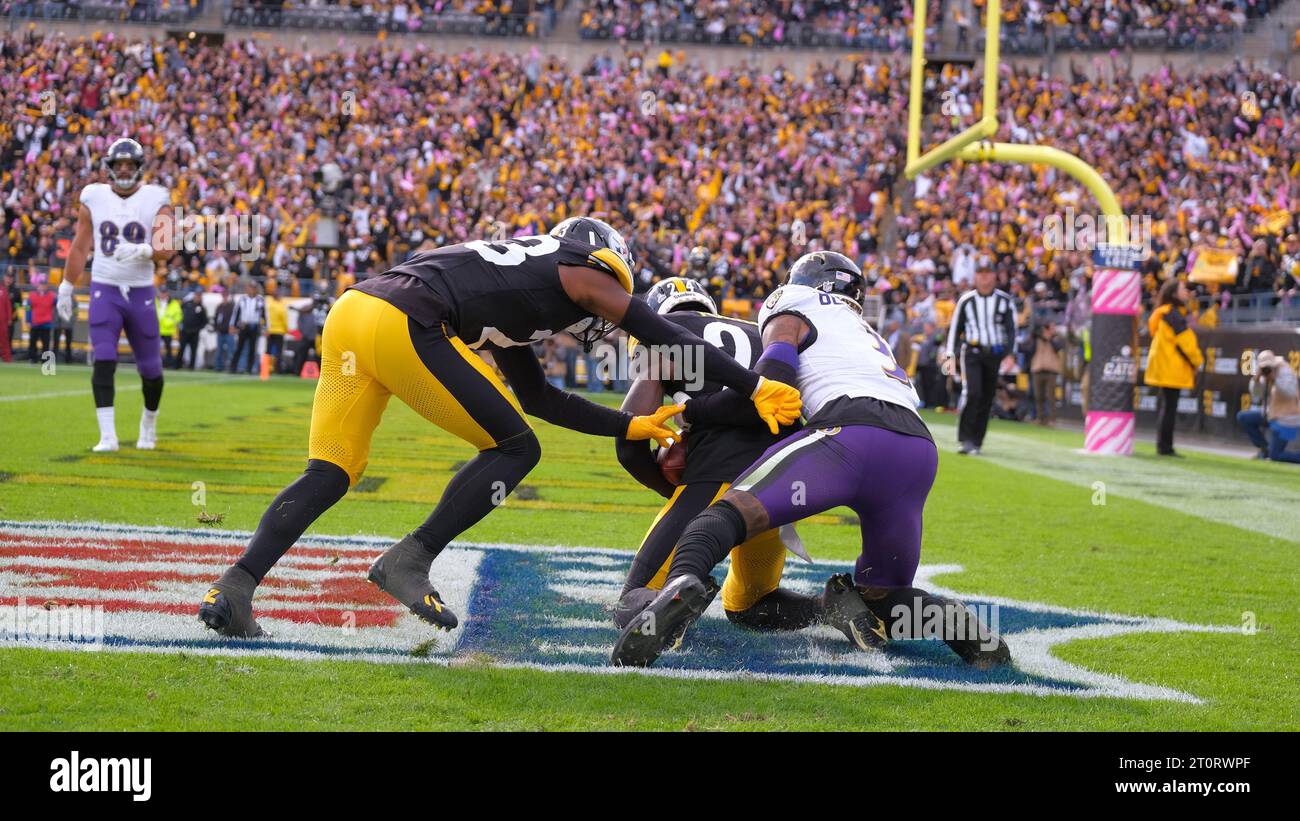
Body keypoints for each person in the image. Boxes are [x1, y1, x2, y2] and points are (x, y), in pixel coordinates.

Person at [197, 218, 800, 638]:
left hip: (354, 313)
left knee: (330, 470)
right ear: (602, 262)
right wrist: (753, 385)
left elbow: (539, 396)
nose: (609, 303)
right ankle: (411, 556)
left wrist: (632, 422)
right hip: (408, 318)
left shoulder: (525, 293)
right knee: (515, 450)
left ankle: (237, 584)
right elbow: (659, 331)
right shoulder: (580, 271)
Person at [612, 252, 1009, 669]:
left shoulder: (786, 305)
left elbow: (768, 388)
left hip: (841, 437)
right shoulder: (862, 331)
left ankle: (682, 584)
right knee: (879, 597)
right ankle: (949, 625)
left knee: (711, 525)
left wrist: (690, 420)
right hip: (916, 448)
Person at [613, 277, 880, 649]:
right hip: (782, 476)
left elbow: (628, 443)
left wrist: (673, 490)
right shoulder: (765, 330)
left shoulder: (660, 333)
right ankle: (828, 609)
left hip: (716, 472)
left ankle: (678, 598)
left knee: (632, 600)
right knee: (749, 605)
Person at [57, 137, 175, 452]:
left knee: (150, 368)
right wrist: (67, 285)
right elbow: (81, 245)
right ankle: (107, 435)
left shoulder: (156, 197)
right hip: (104, 286)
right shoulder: (93, 197)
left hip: (140, 291)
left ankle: (148, 423)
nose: (124, 170)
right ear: (110, 167)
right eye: (119, 164)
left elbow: (167, 248)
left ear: (139, 167)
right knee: (104, 357)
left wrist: (144, 249)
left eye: (130, 165)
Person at [942, 261, 1018, 454]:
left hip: (994, 354)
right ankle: (965, 438)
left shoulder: (1004, 300)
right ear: (975, 276)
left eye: (988, 273)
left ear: (995, 276)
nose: (984, 277)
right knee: (972, 392)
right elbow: (954, 330)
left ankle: (977, 441)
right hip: (972, 352)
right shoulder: (966, 300)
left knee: (987, 396)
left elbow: (1012, 330)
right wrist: (949, 356)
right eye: (981, 273)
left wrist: (1010, 354)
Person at [1144, 277, 1203, 457]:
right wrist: (1198, 361)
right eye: (1183, 289)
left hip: (1164, 365)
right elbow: (1186, 343)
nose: (1187, 293)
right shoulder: (1172, 314)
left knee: (1167, 407)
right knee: (1169, 408)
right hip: (1171, 366)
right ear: (1173, 293)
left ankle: (1164, 445)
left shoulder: (1164, 313)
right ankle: (1165, 447)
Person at [1236, 350, 1300, 464]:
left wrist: (1275, 379)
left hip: (1287, 418)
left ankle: (1272, 453)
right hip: (1271, 413)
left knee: (1276, 456)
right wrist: (1256, 379)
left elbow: (1289, 392)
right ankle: (1265, 449)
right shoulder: (1263, 373)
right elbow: (1256, 395)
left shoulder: (1285, 371)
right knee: (1244, 417)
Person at [1029, 320, 1064, 425]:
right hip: (1038, 368)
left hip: (1051, 370)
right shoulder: (1037, 338)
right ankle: (1040, 418)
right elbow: (1029, 347)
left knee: (1051, 396)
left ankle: (1052, 419)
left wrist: (1050, 337)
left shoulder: (1057, 338)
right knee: (1038, 395)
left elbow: (1058, 347)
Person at [228, 281, 264, 375]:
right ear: (247, 289)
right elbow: (236, 313)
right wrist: (232, 325)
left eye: (254, 288)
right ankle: (233, 367)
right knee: (239, 347)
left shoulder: (260, 299)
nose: (252, 289)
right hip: (244, 325)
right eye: (250, 287)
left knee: (252, 349)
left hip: (254, 326)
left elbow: (265, 315)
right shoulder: (242, 299)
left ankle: (249, 368)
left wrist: (265, 328)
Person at [26, 278, 55, 364]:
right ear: (38, 286)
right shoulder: (32, 295)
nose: (42, 287)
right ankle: (32, 358)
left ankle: (45, 359)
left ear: (47, 286)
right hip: (35, 323)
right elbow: (28, 308)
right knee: (32, 341)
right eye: (41, 285)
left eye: (44, 285)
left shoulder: (52, 296)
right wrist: (28, 320)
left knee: (45, 343)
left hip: (46, 323)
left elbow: (57, 306)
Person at [177, 291, 207, 370]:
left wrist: (197, 329)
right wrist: (181, 325)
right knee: (181, 348)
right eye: (197, 296)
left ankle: (191, 366)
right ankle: (177, 365)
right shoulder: (187, 304)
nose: (198, 298)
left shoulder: (201, 308)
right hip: (185, 331)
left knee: (193, 350)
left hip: (194, 332)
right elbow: (179, 312)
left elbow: (204, 321)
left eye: (199, 296)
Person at [156, 289, 181, 368]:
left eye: (164, 293)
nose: (163, 294)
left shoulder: (174, 303)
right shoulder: (155, 302)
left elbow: (178, 315)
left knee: (168, 349)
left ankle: (168, 364)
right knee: (155, 348)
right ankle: (155, 363)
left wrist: (171, 323)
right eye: (162, 292)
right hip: (157, 329)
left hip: (168, 330)